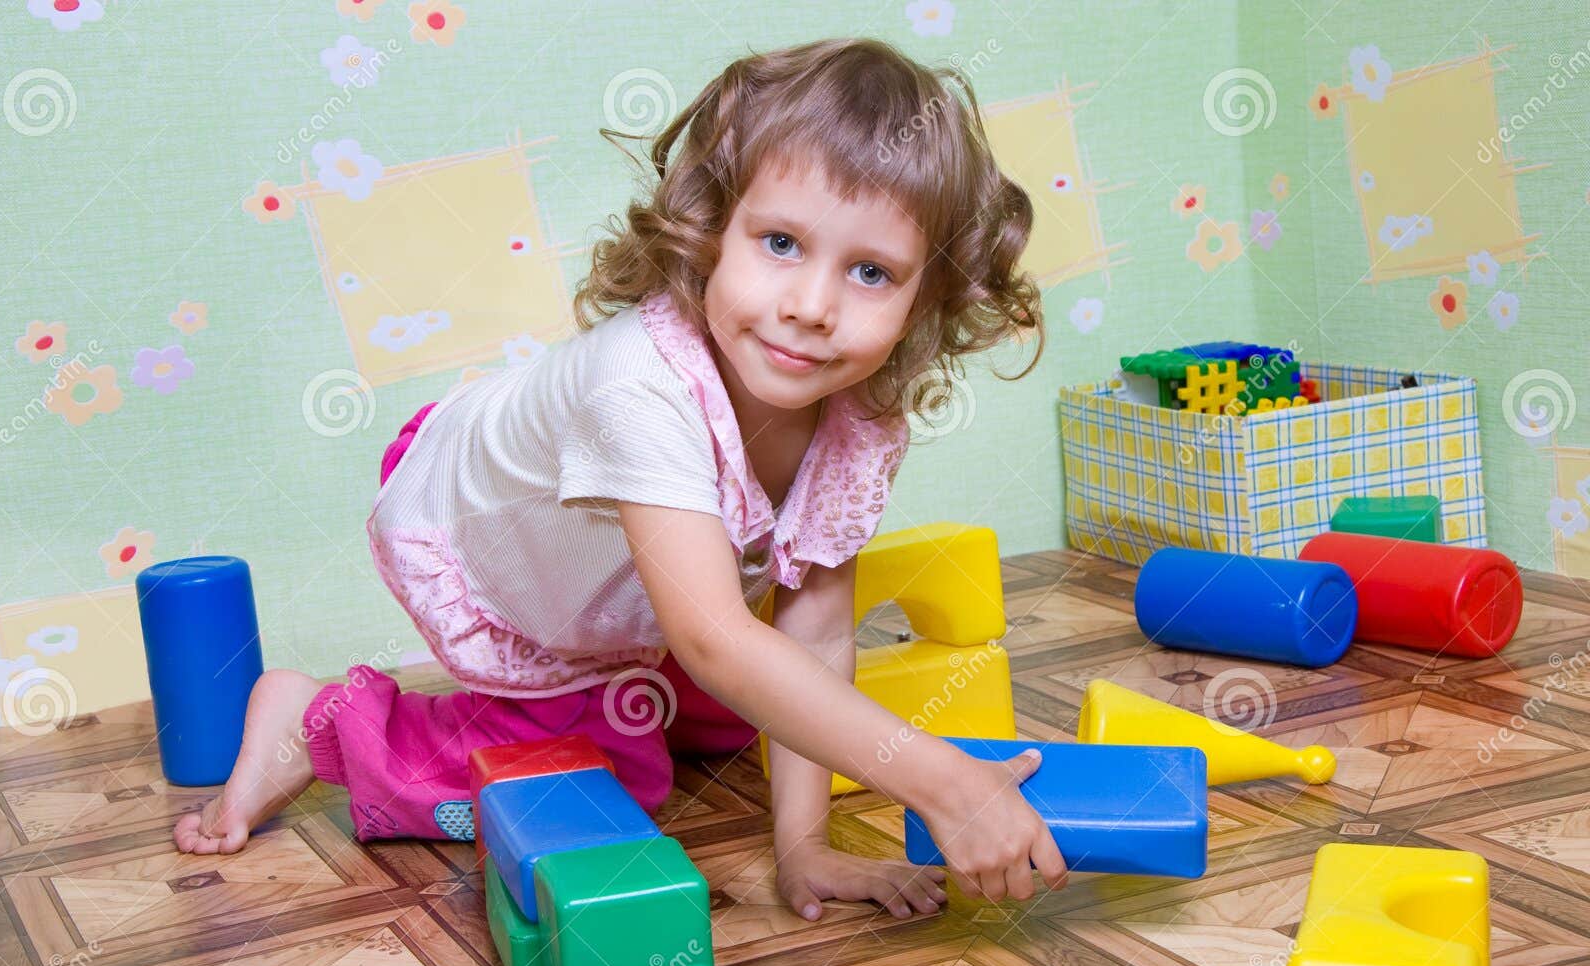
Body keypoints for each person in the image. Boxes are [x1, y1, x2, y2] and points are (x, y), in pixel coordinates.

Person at [174, 37, 1066, 921]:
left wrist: (805, 849)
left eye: (871, 272)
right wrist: (946, 782)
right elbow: (716, 635)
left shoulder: (861, 414)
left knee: (758, 712)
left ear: (925, 297)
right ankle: (319, 721)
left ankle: (639, 695)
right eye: (782, 242)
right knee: (617, 776)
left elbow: (815, 630)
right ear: (713, 226)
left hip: (634, 580)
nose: (812, 306)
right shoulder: (638, 387)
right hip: (489, 530)